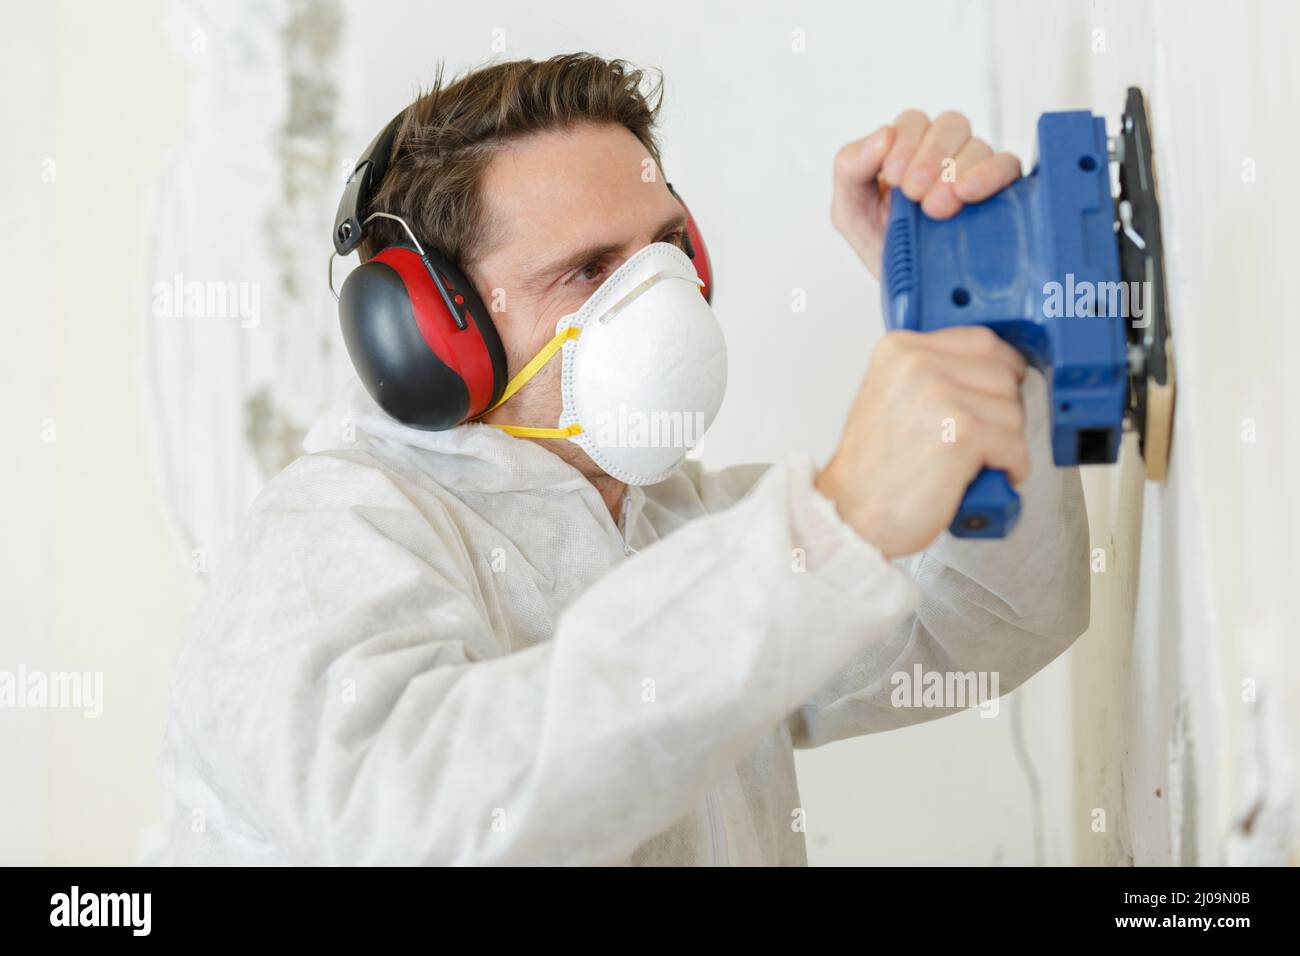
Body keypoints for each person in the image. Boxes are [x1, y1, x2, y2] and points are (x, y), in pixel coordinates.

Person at [158, 53, 1088, 865]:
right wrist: (828, 529)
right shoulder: (329, 535)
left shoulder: (684, 527)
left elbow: (998, 615)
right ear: (436, 330)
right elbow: (425, 823)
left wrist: (967, 313)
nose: (662, 296)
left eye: (669, 249)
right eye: (591, 269)